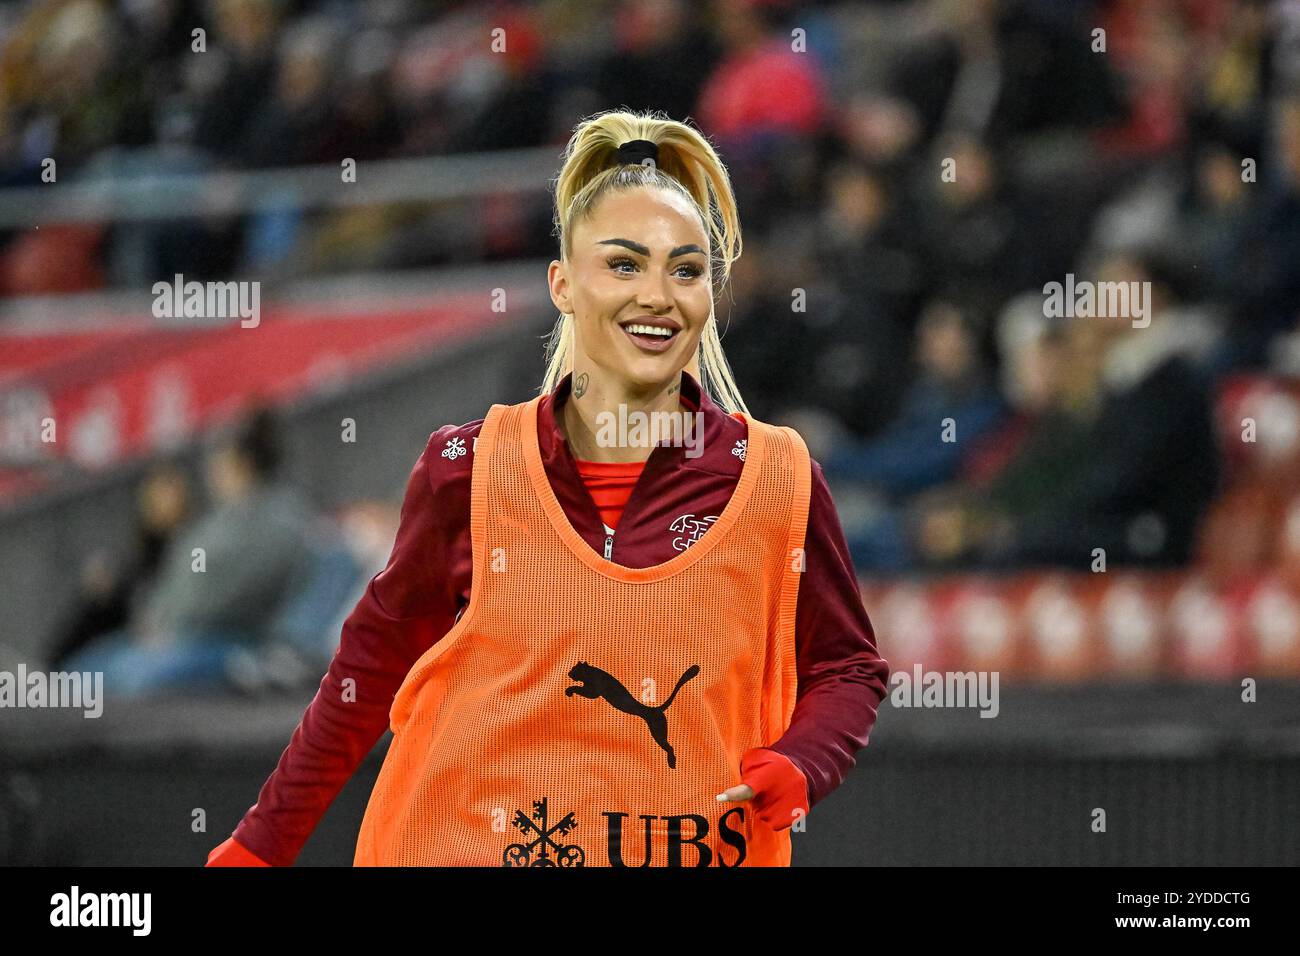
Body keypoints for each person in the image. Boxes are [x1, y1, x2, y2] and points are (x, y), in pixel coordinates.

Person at [207, 109, 889, 868]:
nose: (659, 295)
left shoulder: (780, 481)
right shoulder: (464, 467)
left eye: (686, 269)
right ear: (563, 284)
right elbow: (366, 674)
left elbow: (848, 668)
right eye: (625, 265)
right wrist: (259, 847)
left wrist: (804, 762)